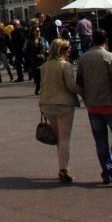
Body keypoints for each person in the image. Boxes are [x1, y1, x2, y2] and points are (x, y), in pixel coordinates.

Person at [75, 29, 112, 186]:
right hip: (109, 103)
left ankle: (106, 173)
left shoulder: (83, 58)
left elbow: (79, 81)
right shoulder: (109, 57)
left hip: (92, 105)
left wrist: (86, 97)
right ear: (106, 41)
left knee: (100, 141)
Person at [38, 38, 81, 183]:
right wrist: (85, 92)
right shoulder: (65, 65)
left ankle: (63, 166)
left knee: (59, 138)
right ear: (60, 50)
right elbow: (71, 86)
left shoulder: (45, 66)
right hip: (63, 105)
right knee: (64, 138)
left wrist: (40, 103)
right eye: (67, 48)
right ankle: (63, 169)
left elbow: (43, 85)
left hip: (47, 104)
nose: (69, 50)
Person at [24, 26, 48, 95]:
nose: (39, 32)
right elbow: (27, 51)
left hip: (42, 59)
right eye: (37, 31)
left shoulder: (42, 39)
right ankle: (38, 88)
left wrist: (43, 54)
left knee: (42, 75)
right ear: (33, 32)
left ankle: (39, 89)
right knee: (37, 76)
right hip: (34, 60)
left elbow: (45, 48)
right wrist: (35, 55)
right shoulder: (30, 41)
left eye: (39, 31)